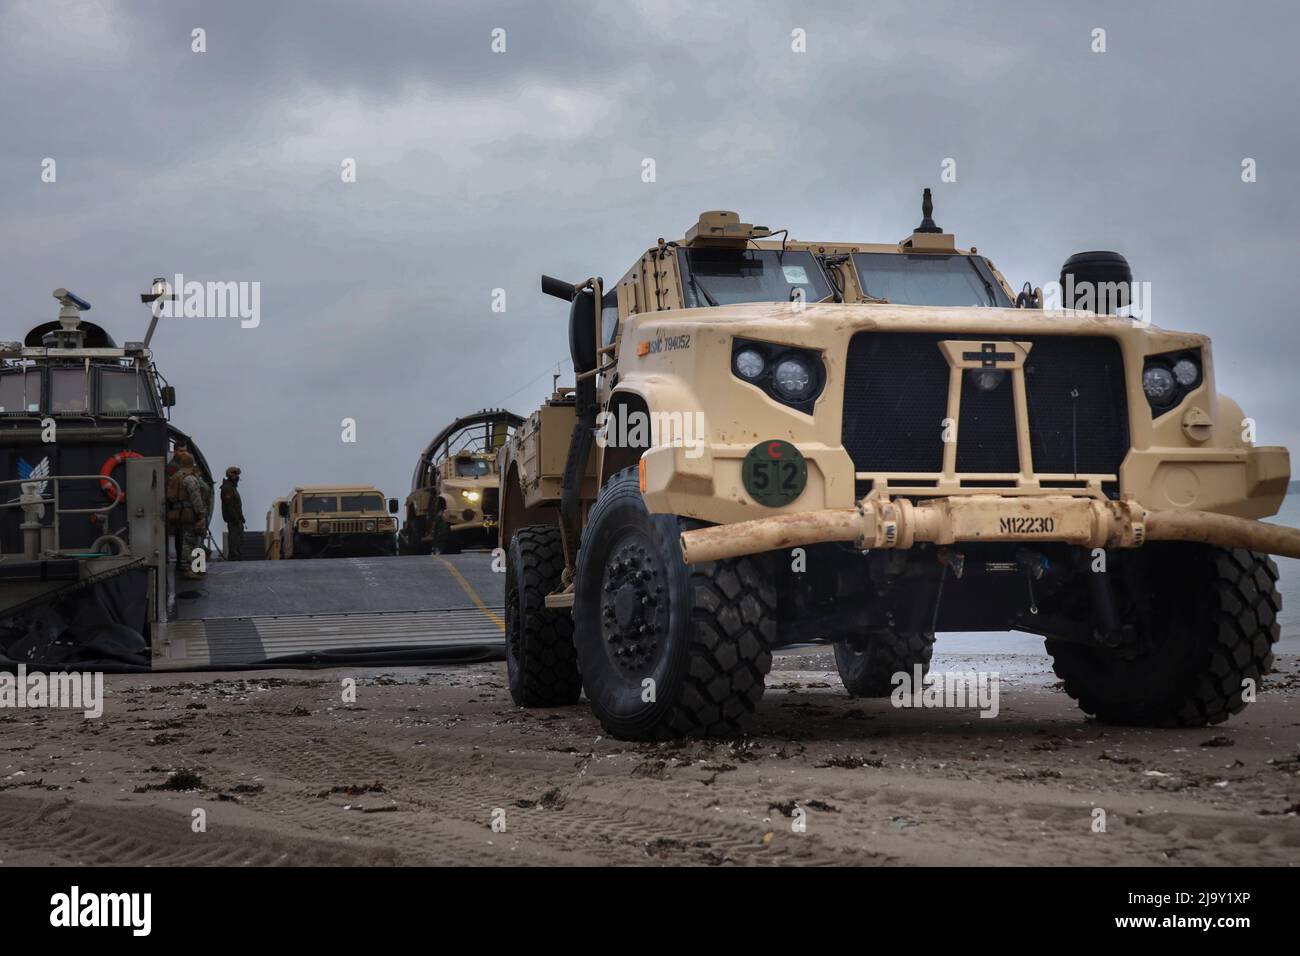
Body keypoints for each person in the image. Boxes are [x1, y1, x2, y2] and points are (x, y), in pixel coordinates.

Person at [173, 450, 209, 580]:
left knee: (188, 540)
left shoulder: (178, 475)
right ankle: (187, 568)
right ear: (192, 463)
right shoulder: (190, 478)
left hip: (181, 513)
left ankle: (195, 567)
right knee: (190, 541)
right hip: (190, 513)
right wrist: (202, 514)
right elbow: (196, 497)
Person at [220, 466, 245, 560]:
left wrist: (241, 517)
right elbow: (229, 506)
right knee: (234, 539)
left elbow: (236, 505)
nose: (238, 478)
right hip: (233, 520)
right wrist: (236, 518)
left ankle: (237, 556)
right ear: (231, 476)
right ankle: (234, 557)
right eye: (236, 475)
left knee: (240, 539)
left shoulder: (232, 488)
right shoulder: (227, 488)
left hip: (237, 519)